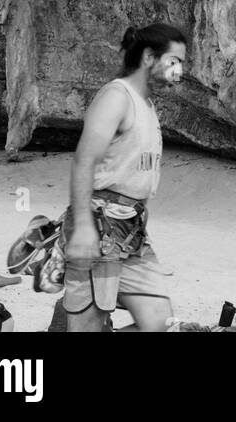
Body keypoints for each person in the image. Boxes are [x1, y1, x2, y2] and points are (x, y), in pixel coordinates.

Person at [61, 21, 187, 333]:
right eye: (174, 61)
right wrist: (83, 229)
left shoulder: (145, 103)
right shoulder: (117, 97)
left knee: (160, 324)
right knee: (88, 326)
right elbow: (83, 161)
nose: (179, 70)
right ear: (148, 56)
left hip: (132, 233)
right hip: (100, 229)